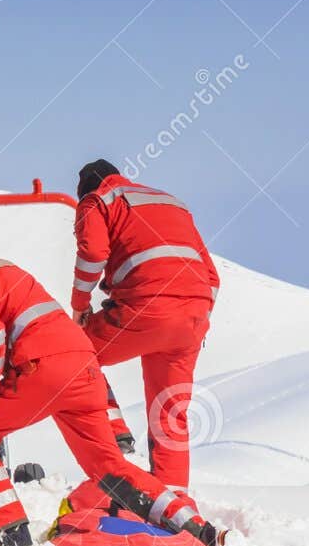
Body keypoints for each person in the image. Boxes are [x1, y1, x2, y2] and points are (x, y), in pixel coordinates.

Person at [0, 253, 219, 546]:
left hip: (42, 367)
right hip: (86, 365)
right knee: (109, 466)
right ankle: (196, 528)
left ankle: (13, 538)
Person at [69, 160, 220, 490]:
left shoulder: (97, 200)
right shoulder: (171, 202)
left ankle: (116, 435)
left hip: (146, 307)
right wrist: (198, 317)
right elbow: (212, 276)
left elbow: (93, 253)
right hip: (193, 318)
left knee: (72, 353)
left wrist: (79, 305)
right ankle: (174, 501)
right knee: (171, 413)